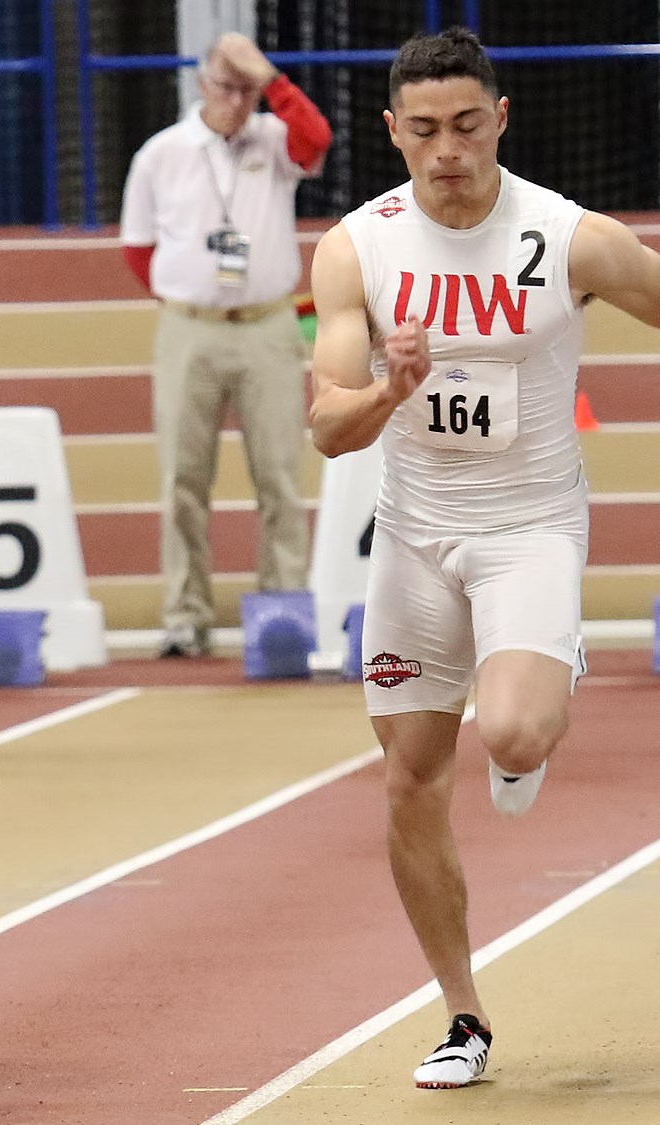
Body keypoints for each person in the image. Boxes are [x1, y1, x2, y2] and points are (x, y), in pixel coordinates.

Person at [309, 27, 660, 1089]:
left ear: (499, 118)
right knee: (409, 780)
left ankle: (527, 722)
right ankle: (460, 1017)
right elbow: (328, 429)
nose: (445, 149)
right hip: (412, 536)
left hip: (530, 527)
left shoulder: (568, 238)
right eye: (421, 130)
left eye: (465, 125)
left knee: (507, 728)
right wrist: (387, 387)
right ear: (390, 133)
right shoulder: (355, 248)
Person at [120, 32, 331, 657]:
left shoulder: (273, 140)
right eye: (227, 86)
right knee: (183, 478)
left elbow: (316, 138)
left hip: (268, 324)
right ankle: (186, 615)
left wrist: (272, 78)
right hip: (191, 327)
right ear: (200, 85)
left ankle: (283, 609)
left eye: (248, 90)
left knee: (280, 476)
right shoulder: (161, 154)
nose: (238, 101)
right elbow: (138, 248)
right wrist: (187, 295)